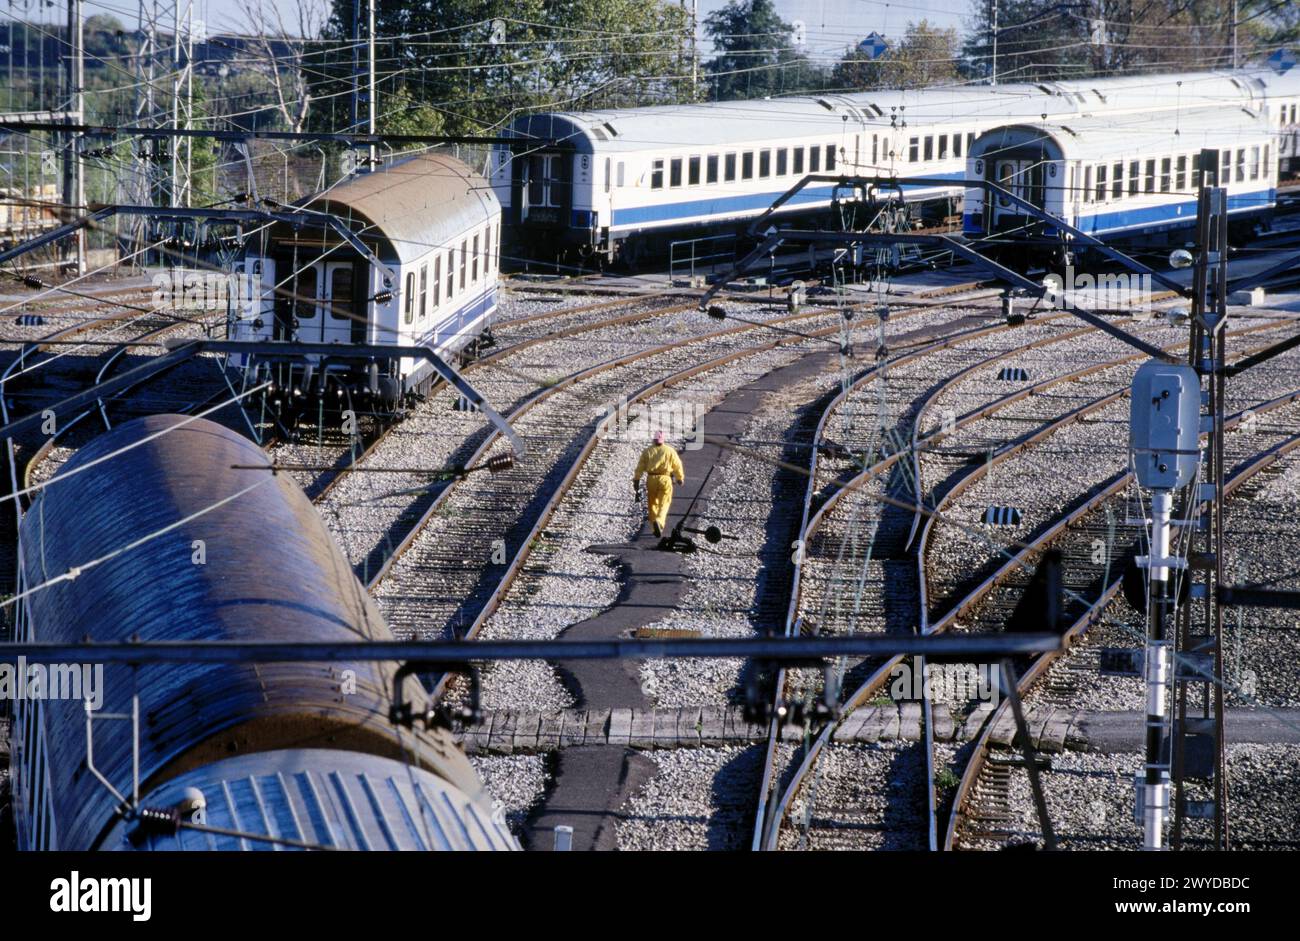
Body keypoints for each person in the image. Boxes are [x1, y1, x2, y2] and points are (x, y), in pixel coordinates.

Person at [632, 430, 684, 538]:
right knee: (664, 503)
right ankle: (659, 522)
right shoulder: (669, 451)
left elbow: (640, 467)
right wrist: (680, 478)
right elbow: (677, 464)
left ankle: (653, 526)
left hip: (651, 479)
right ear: (662, 440)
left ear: (654, 440)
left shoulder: (647, 451)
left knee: (652, 504)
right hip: (665, 478)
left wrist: (636, 479)